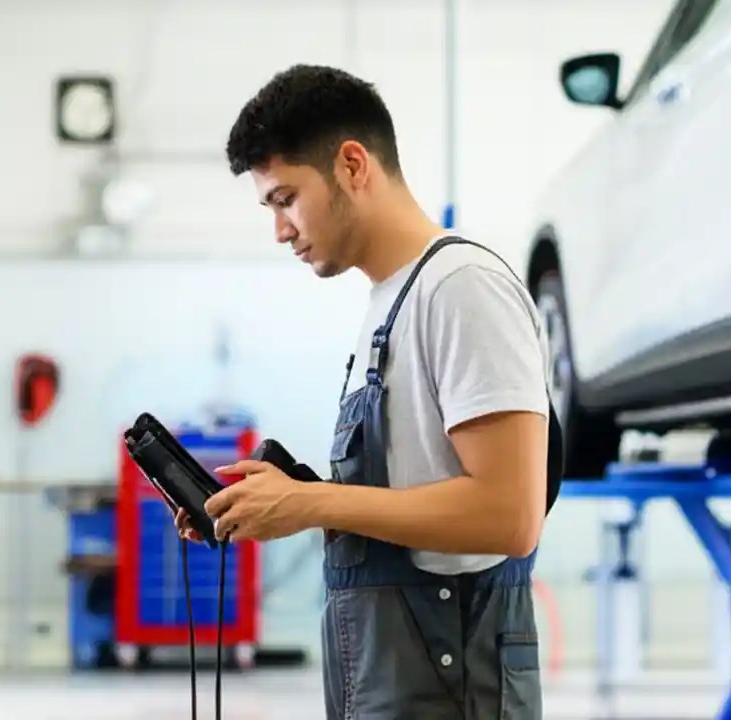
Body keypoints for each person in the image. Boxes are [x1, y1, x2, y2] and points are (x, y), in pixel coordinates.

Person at [175, 63, 561, 719]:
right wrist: (285, 501)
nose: (280, 230)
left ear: (353, 165)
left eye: (286, 199)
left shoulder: (461, 288)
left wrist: (315, 501)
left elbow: (510, 515)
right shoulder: (391, 304)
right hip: (388, 682)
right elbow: (405, 496)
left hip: (453, 690)